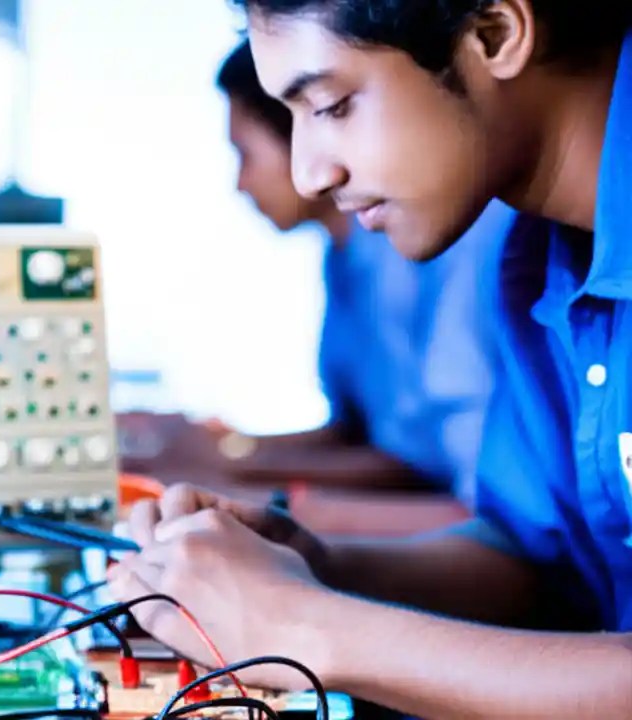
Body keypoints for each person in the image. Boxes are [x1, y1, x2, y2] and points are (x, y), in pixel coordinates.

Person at [111, 1, 632, 717]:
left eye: (330, 105)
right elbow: (541, 563)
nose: (308, 174)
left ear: (495, 34)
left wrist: (301, 627)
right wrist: (313, 564)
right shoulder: (537, 261)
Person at [123, 43, 514, 535]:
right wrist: (224, 455)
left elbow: (430, 466)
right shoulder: (345, 257)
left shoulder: (440, 246)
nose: (241, 184)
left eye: (246, 154)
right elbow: (362, 437)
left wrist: (261, 488)